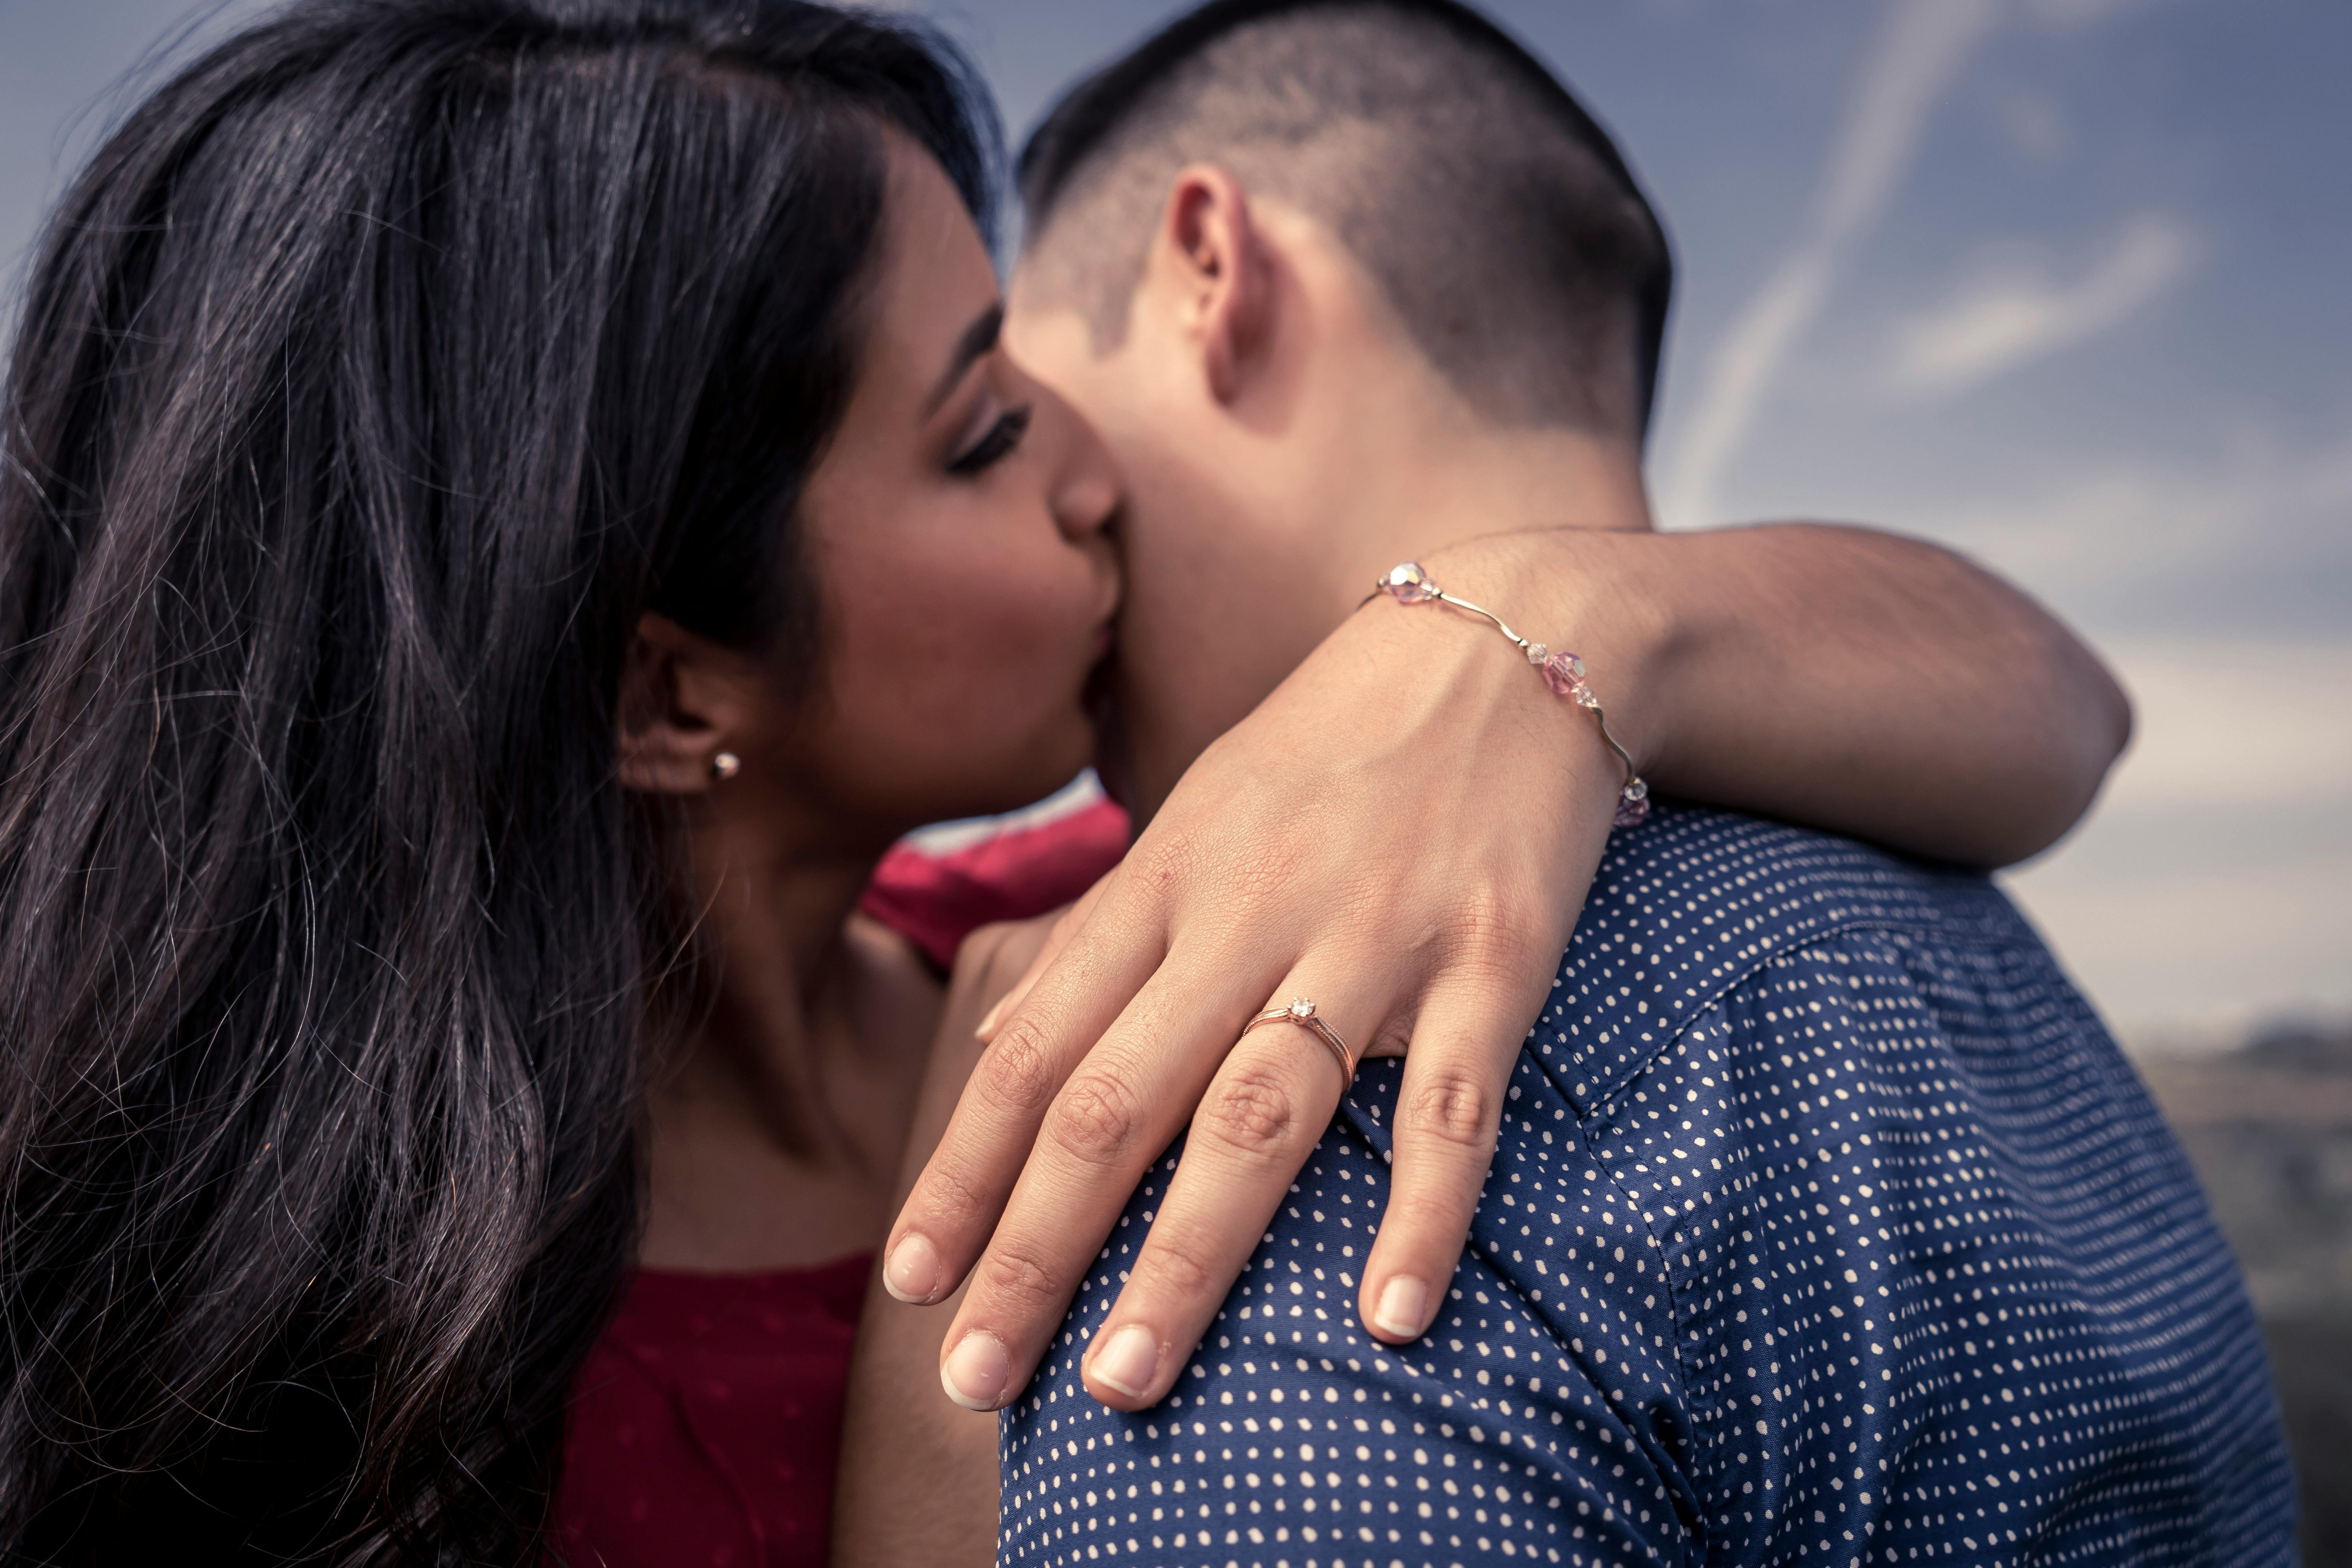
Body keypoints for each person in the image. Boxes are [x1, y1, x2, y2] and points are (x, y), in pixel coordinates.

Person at [0, 2, 2127, 1565]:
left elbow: (2053, 699)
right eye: (981, 428)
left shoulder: (1140, 893)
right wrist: (946, 1417)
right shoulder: (343, 1397)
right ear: (666, 686)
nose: (1095, 466)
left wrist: (1535, 642)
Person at [855, 0, 2295, 1564]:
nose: (1064, 522)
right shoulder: (1964, 907)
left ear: (1210, 266)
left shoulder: (1275, 1053)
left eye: (1037, 413)